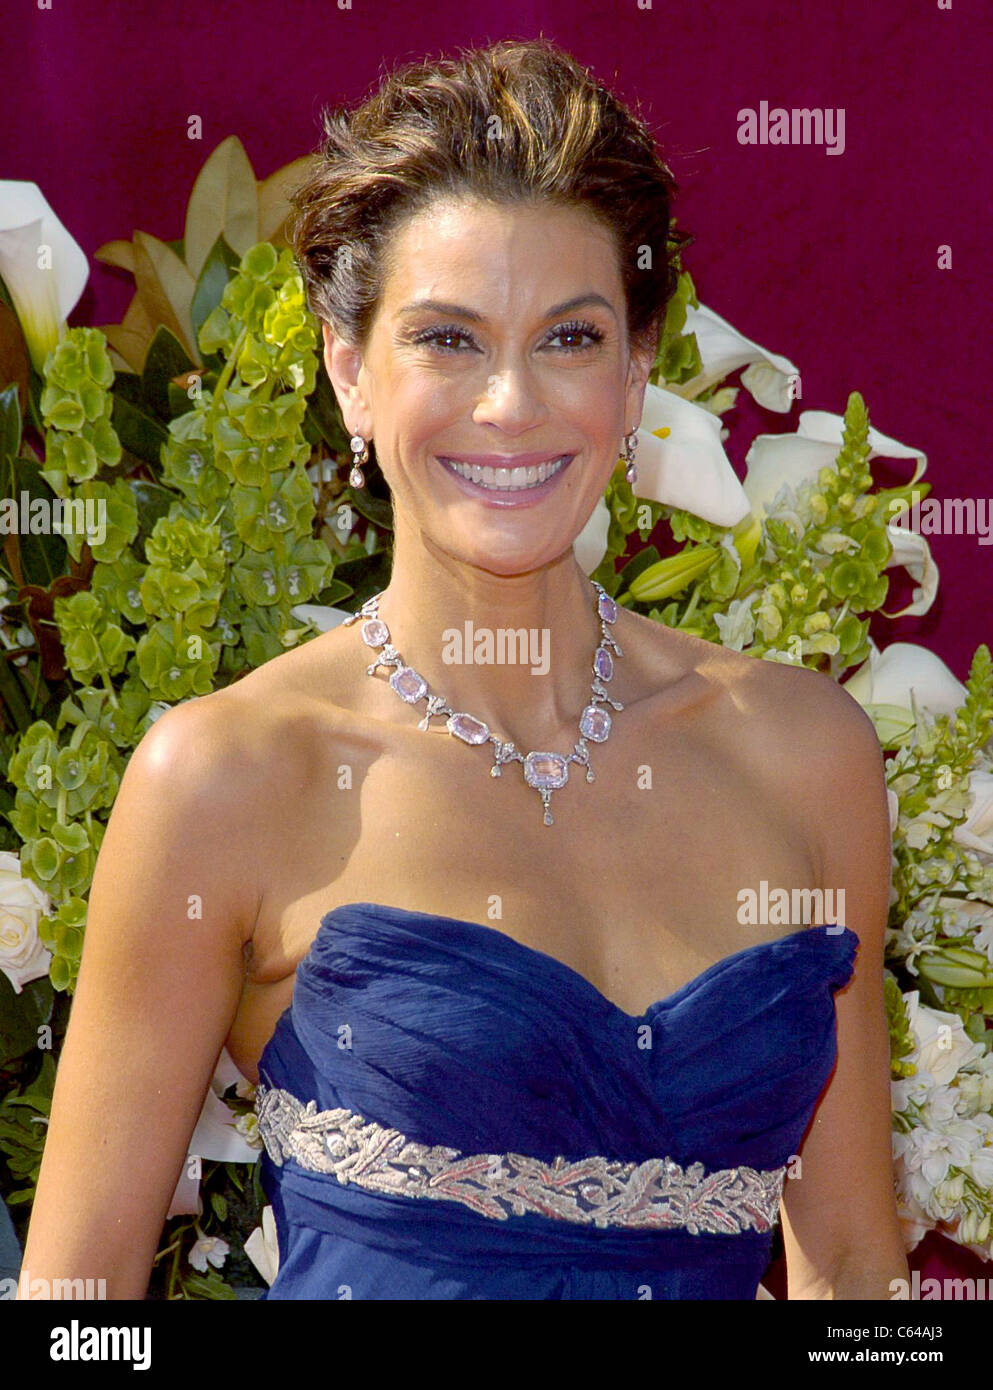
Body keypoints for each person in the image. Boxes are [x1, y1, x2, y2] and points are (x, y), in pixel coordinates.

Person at [21, 37, 909, 1300]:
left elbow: (864, 1289)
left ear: (636, 368)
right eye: (447, 338)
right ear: (348, 371)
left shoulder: (802, 751)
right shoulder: (226, 777)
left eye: (570, 337)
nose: (509, 405)